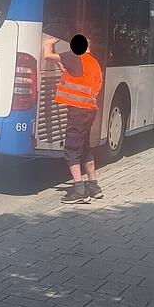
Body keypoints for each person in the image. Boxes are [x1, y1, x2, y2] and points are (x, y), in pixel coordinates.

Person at [43, 26, 105, 204]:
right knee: (85, 148)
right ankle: (94, 186)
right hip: (89, 110)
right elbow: (66, 69)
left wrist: (48, 43)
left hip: (77, 112)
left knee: (71, 150)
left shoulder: (74, 57)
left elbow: (47, 55)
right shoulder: (93, 63)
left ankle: (79, 190)